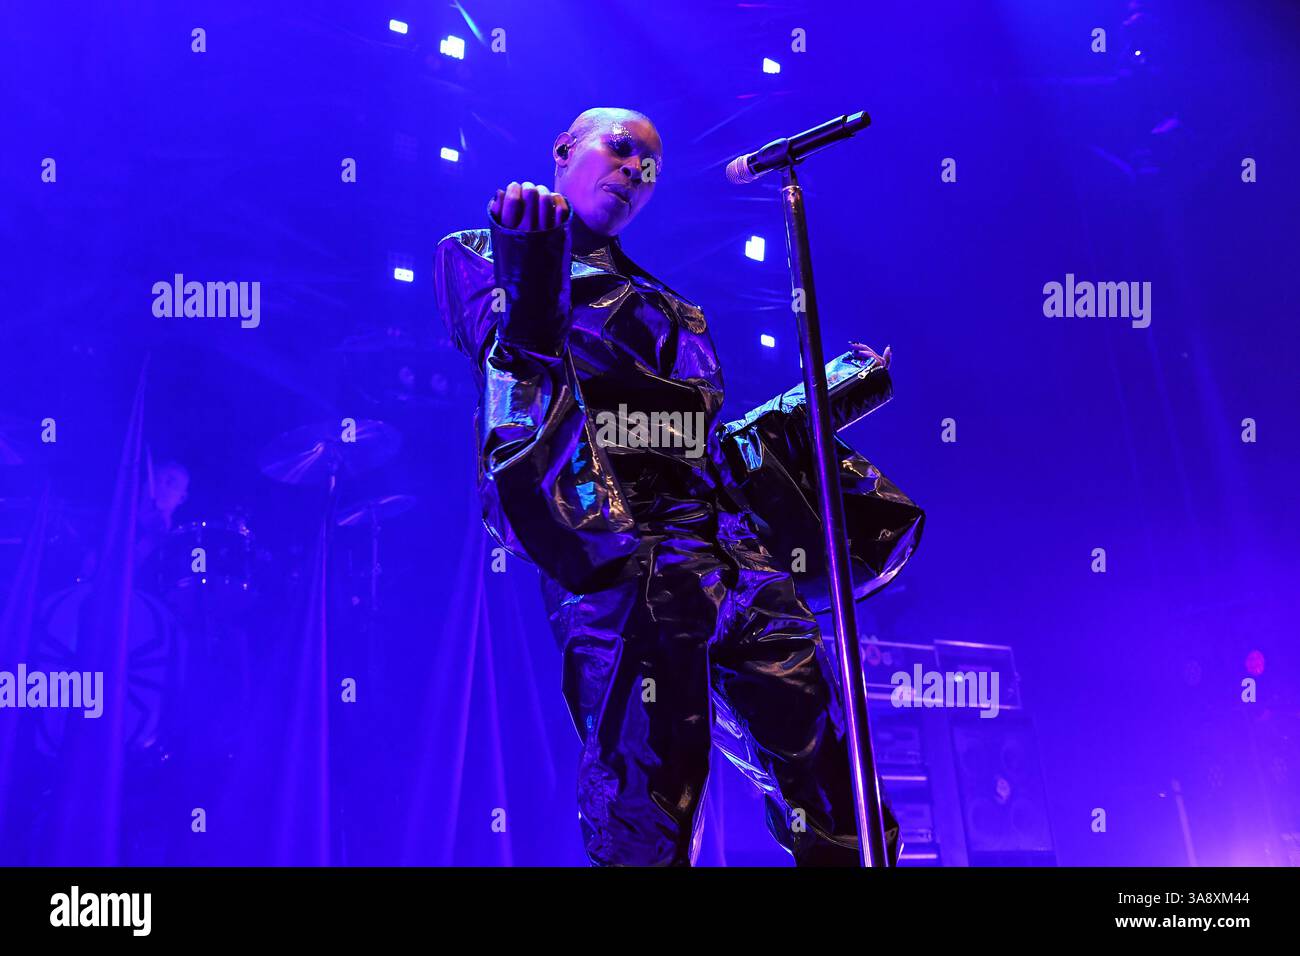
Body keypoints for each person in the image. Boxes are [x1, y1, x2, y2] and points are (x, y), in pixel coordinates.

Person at [435, 107, 924, 866]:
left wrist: (823, 397)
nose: (637, 171)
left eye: (651, 167)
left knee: (835, 784)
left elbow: (701, 445)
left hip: (735, 558)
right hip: (622, 551)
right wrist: (530, 259)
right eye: (623, 150)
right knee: (650, 800)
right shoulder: (479, 253)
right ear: (565, 151)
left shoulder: (673, 303)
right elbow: (518, 365)